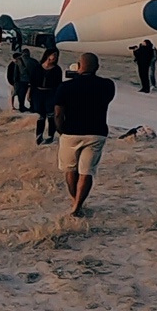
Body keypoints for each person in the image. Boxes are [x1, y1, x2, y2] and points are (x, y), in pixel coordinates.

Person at [53, 53, 116, 216]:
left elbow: (58, 113)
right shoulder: (107, 85)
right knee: (86, 171)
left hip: (71, 131)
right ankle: (78, 205)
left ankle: (75, 200)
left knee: (70, 169)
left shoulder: (65, 87)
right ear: (97, 67)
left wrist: (60, 130)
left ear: (79, 66)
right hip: (96, 132)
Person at [30, 48, 62, 145]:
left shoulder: (57, 69)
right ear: (48, 55)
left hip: (50, 93)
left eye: (56, 56)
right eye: (53, 55)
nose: (54, 57)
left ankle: (50, 136)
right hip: (38, 93)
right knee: (40, 116)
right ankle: (39, 137)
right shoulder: (38, 67)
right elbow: (32, 82)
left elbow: (58, 84)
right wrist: (30, 93)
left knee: (51, 115)